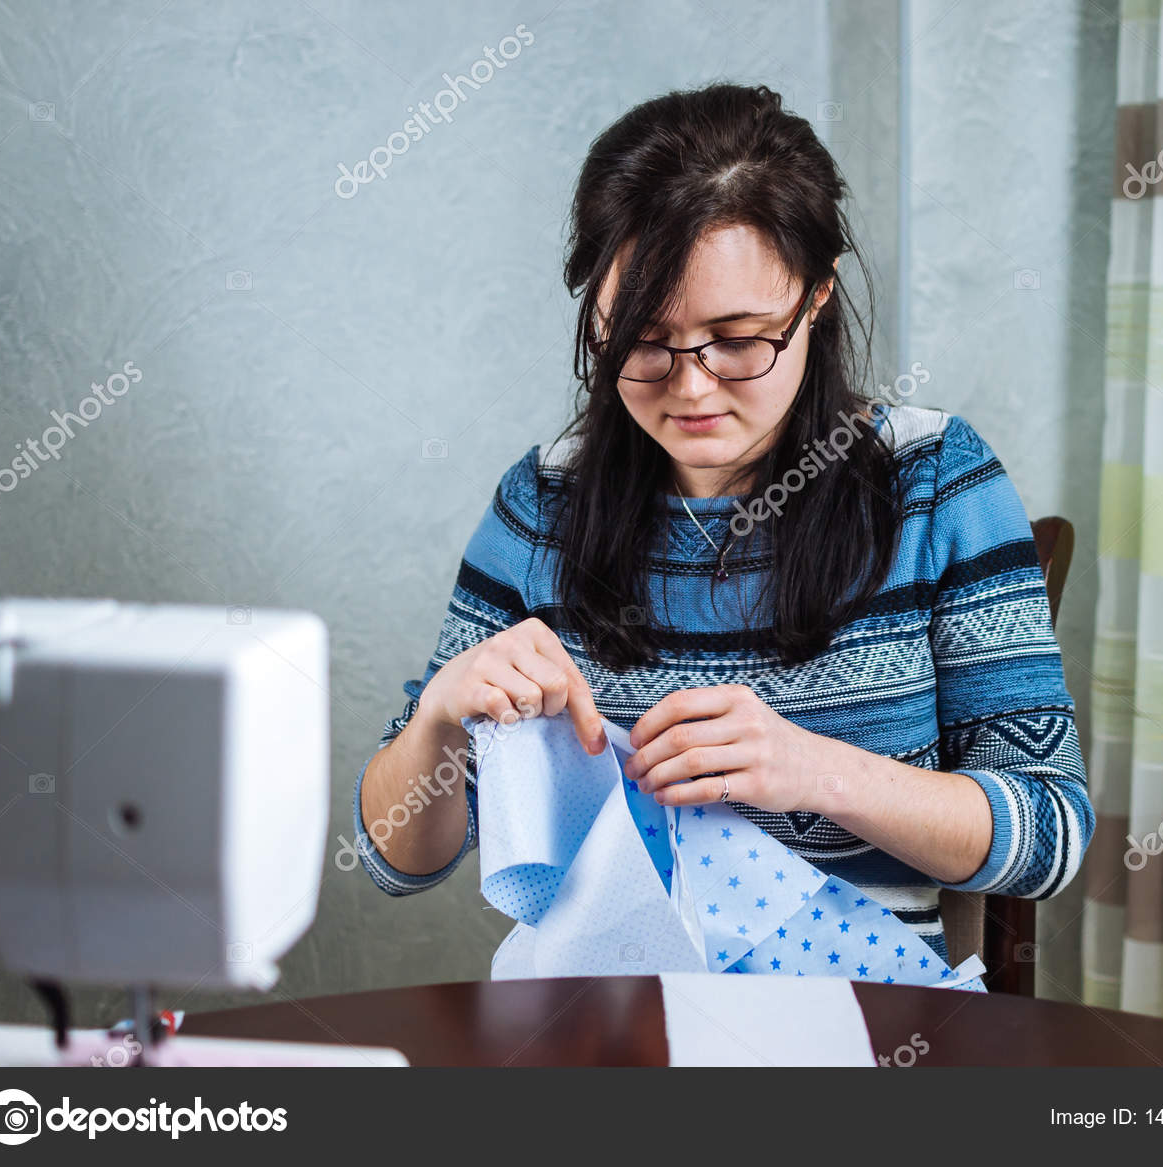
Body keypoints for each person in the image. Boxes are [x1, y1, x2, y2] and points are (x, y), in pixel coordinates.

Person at [354, 82, 1093, 969]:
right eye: (643, 340)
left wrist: (816, 771)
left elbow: (1053, 834)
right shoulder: (545, 502)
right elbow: (394, 862)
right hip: (609, 1036)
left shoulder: (934, 483)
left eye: (739, 339)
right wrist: (437, 720)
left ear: (815, 299)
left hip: (858, 1035)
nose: (691, 387)